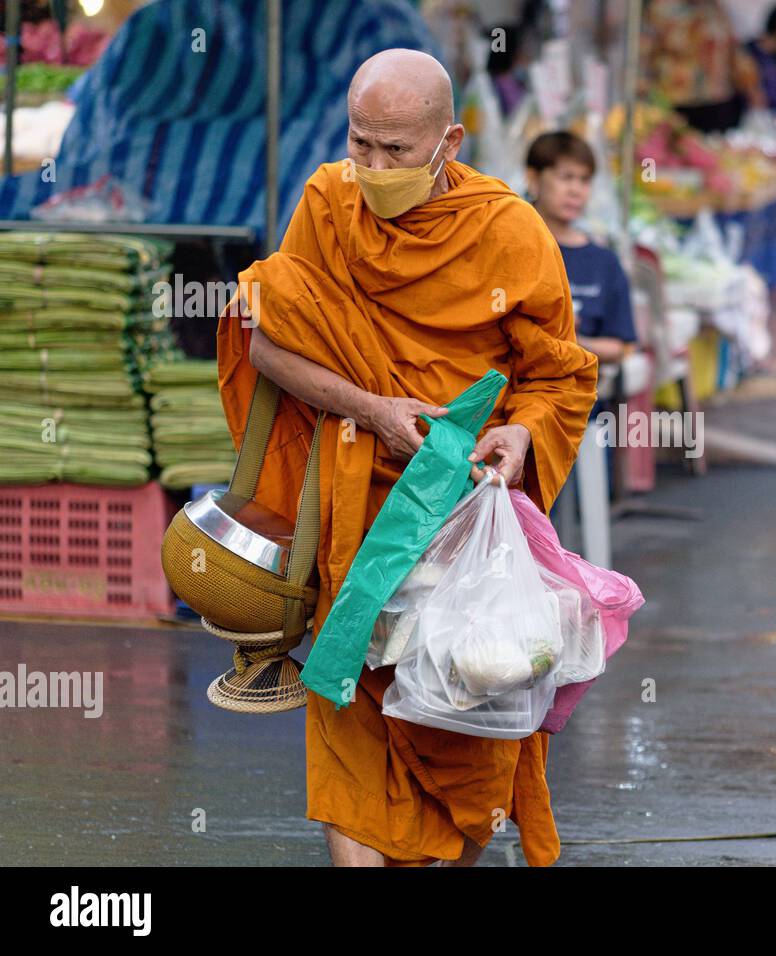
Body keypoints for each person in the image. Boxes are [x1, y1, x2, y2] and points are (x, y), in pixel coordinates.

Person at [215, 49, 597, 866]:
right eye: (362, 144)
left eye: (397, 149)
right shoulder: (326, 203)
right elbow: (271, 342)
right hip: (353, 509)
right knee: (348, 711)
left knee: (460, 725)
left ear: (450, 140)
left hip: (457, 527)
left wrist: (524, 433)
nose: (375, 168)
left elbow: (558, 376)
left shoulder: (508, 232)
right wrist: (372, 411)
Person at [525, 130, 637, 566]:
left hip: (571, 402)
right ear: (534, 178)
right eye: (565, 177)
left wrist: (568, 344)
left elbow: (621, 344)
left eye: (584, 180)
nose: (576, 190)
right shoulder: (515, 242)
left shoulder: (602, 263)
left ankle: (560, 566)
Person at [640, 0, 755, 133]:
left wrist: (750, 84)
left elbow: (733, 47)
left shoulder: (716, 9)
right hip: (677, 102)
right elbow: (644, 51)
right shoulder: (662, 8)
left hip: (717, 100)